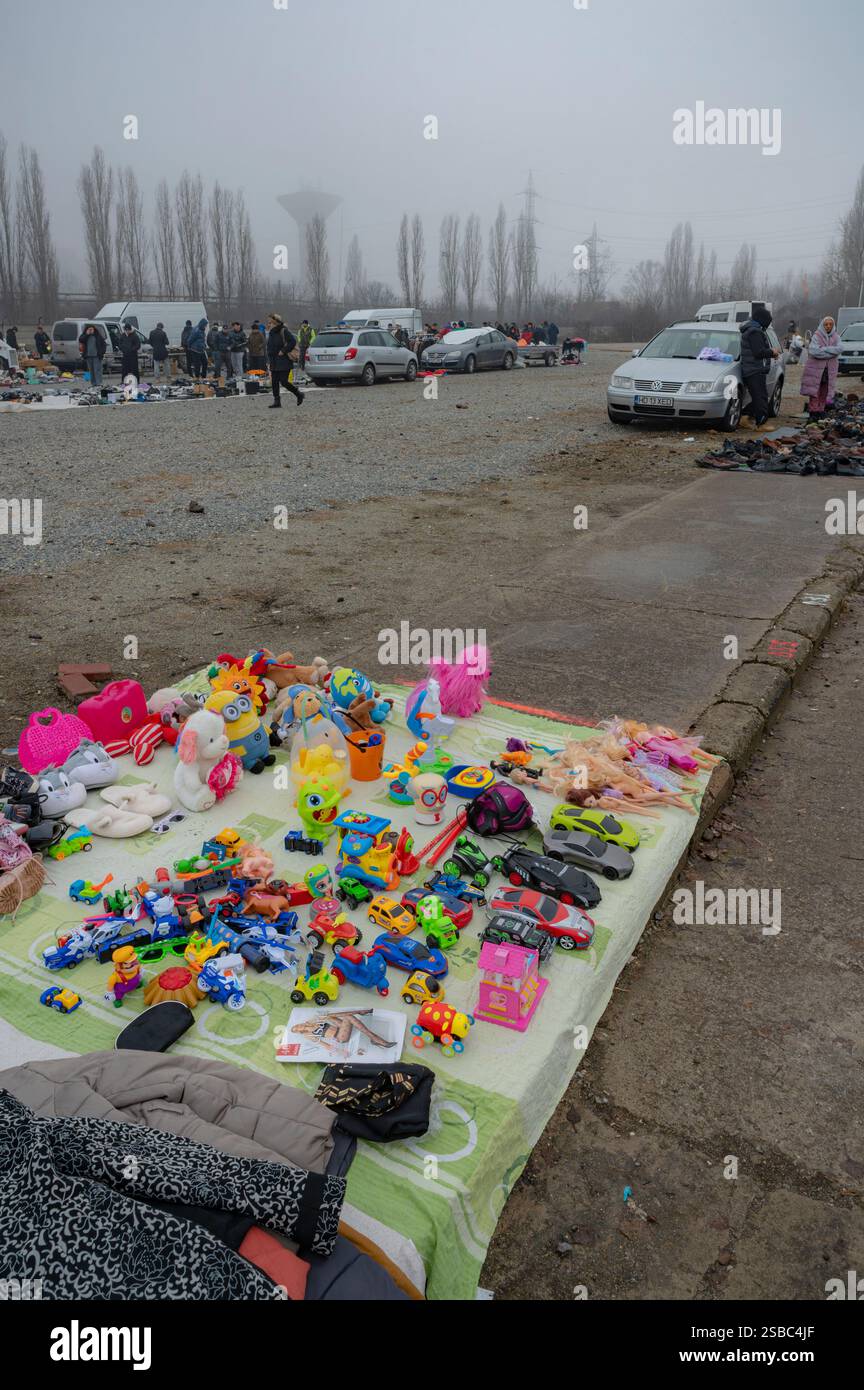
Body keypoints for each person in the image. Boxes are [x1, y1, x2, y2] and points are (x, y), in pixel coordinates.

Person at [739, 305, 779, 430]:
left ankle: (744, 417)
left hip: (752, 368)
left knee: (759, 396)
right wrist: (772, 352)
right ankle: (761, 423)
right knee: (761, 397)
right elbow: (758, 352)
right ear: (763, 320)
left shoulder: (751, 329)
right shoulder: (754, 331)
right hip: (754, 369)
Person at [800, 317, 842, 421]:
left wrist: (824, 350)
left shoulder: (836, 337)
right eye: (826, 324)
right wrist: (831, 352)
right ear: (822, 325)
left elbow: (840, 349)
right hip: (816, 369)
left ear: (833, 325)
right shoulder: (817, 336)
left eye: (830, 324)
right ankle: (813, 411)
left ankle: (821, 410)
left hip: (829, 370)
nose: (828, 326)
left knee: (825, 390)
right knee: (815, 391)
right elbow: (814, 351)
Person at [266, 312, 304, 408]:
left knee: (284, 381)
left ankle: (298, 394)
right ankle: (277, 401)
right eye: (268, 323)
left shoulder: (284, 331)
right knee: (274, 382)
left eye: (270, 323)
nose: (268, 324)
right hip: (274, 360)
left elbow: (292, 341)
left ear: (275, 323)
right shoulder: (271, 333)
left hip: (284, 360)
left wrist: (283, 350)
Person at [78, 323, 106, 387]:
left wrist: (102, 352)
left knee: (97, 370)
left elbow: (104, 345)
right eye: (89, 329)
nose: (91, 330)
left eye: (92, 329)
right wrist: (87, 334)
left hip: (96, 356)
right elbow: (81, 340)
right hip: (88, 356)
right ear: (87, 330)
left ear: (94, 329)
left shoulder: (98, 336)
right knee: (91, 370)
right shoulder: (85, 336)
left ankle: (99, 383)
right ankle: (93, 383)